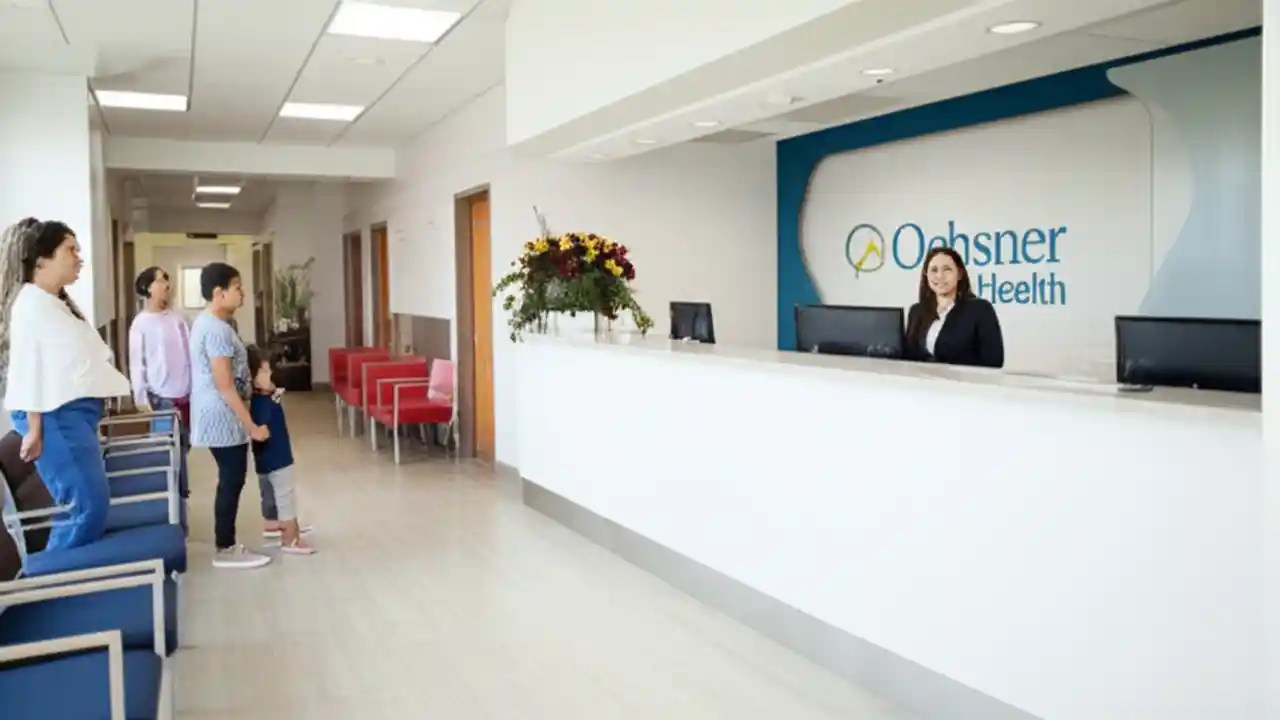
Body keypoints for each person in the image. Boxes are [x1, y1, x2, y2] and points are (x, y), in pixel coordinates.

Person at [0, 218, 131, 549]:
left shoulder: (51, 302)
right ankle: (47, 585)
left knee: (88, 507)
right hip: (54, 418)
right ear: (41, 259)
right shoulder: (30, 303)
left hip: (70, 417)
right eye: (70, 249)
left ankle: (68, 580)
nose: (78, 257)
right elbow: (28, 367)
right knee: (85, 509)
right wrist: (34, 428)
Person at [189, 262, 271, 569]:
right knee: (231, 479)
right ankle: (225, 547)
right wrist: (251, 426)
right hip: (222, 415)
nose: (243, 293)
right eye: (237, 287)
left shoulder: (210, 323)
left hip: (219, 412)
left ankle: (226, 542)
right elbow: (224, 384)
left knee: (231, 479)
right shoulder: (216, 329)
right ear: (218, 293)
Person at [128, 266, 192, 533]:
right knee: (171, 461)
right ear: (147, 288)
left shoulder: (177, 318)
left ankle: (180, 517)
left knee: (184, 455)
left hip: (185, 396)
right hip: (161, 400)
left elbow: (189, 356)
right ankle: (174, 522)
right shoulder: (140, 324)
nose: (166, 284)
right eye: (160, 280)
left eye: (167, 279)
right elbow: (137, 364)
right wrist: (141, 399)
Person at [246, 345, 315, 555]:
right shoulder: (264, 404)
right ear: (252, 379)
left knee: (269, 497)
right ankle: (291, 539)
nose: (270, 375)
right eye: (265, 372)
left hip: (264, 461)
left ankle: (273, 526)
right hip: (280, 459)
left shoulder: (258, 401)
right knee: (286, 498)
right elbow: (264, 431)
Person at [904, 247, 1004, 368]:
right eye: (934, 270)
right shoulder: (916, 311)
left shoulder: (980, 309)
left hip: (964, 384)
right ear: (926, 275)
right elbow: (908, 357)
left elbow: (993, 361)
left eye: (947, 270)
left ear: (959, 274)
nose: (940, 276)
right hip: (922, 384)